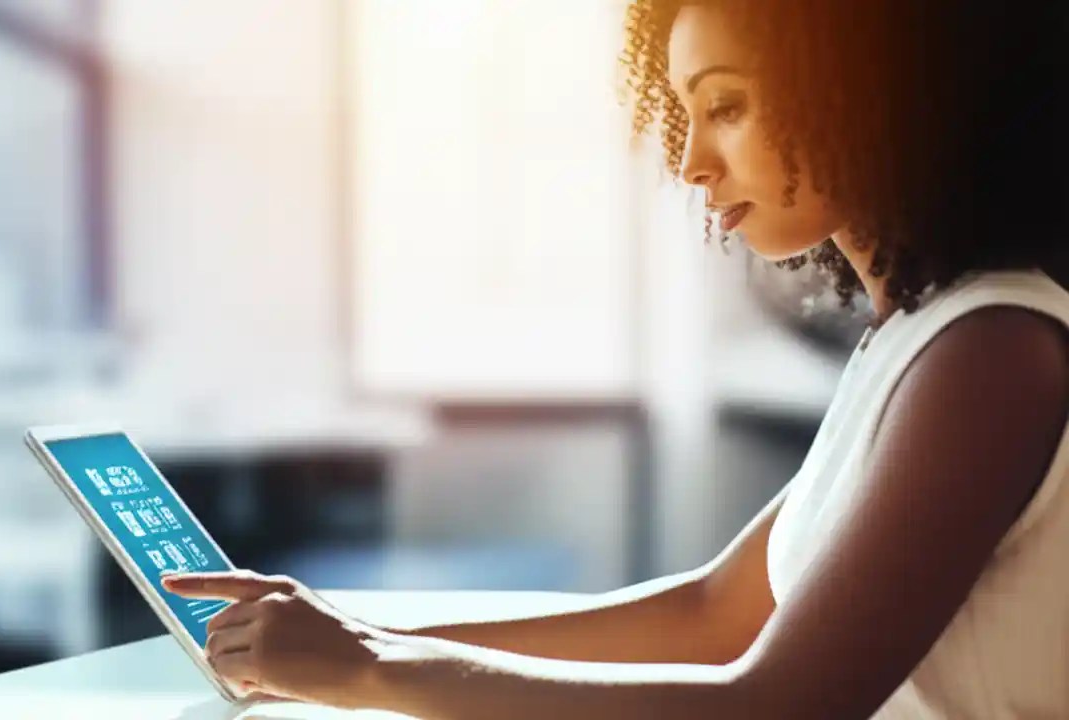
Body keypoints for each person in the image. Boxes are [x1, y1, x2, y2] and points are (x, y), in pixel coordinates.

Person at [162, 1, 1069, 717]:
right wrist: (359, 636)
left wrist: (370, 672)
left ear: (865, 92)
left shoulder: (991, 356)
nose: (690, 161)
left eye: (726, 105)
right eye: (681, 111)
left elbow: (777, 703)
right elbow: (711, 613)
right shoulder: (918, 337)